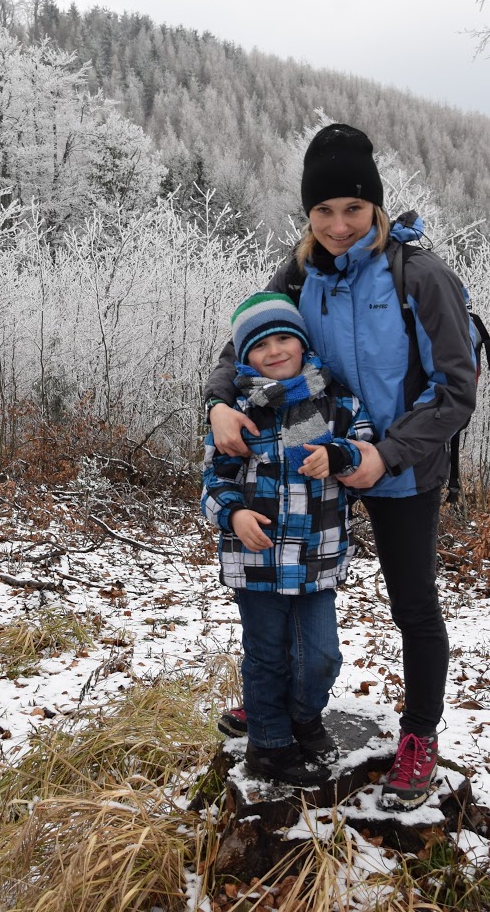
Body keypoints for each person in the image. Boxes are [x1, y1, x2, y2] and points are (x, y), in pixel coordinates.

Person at [204, 122, 477, 809]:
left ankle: (419, 734)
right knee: (290, 578)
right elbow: (244, 335)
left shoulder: (421, 275)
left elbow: (456, 387)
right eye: (323, 210)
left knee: (412, 603)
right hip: (316, 459)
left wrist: (385, 453)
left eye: (353, 208)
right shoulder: (302, 272)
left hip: (404, 467)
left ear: (377, 206)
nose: (338, 224)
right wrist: (216, 402)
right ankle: (275, 702)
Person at [201, 291, 375, 788]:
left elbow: (365, 448)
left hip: (318, 557)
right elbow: (216, 479)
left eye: (284, 339)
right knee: (266, 654)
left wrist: (340, 457)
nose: (275, 351)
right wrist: (233, 517)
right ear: (243, 356)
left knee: (321, 655)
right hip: (259, 560)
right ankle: (270, 745)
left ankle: (304, 716)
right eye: (261, 346)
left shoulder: (334, 399)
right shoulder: (237, 410)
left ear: (301, 342)